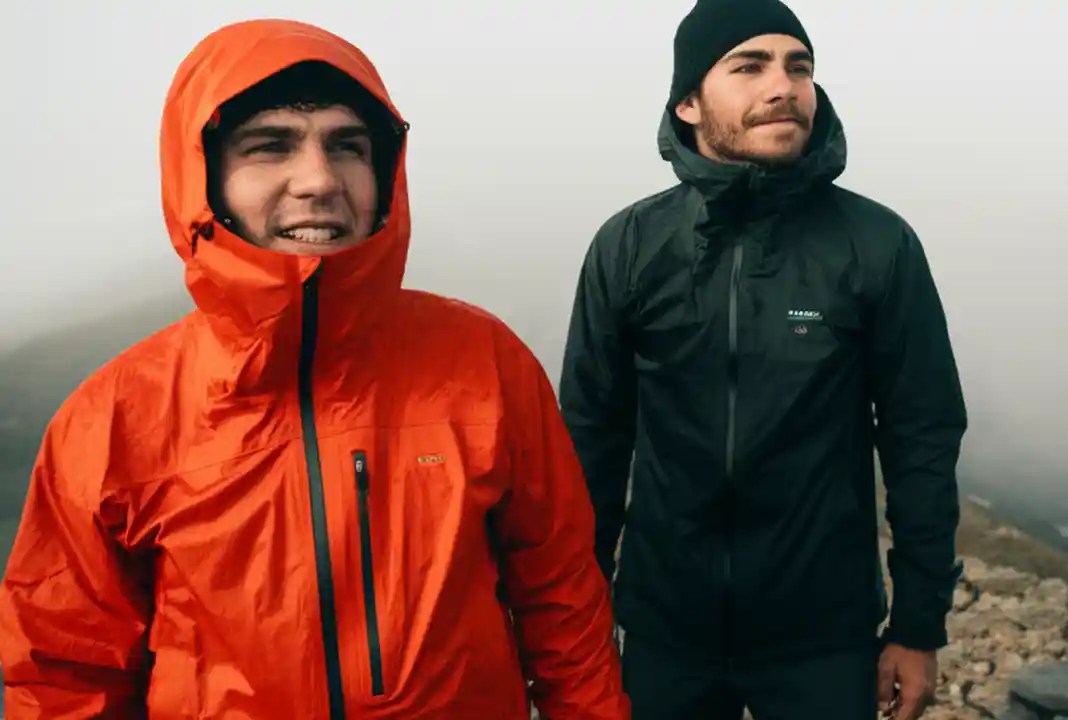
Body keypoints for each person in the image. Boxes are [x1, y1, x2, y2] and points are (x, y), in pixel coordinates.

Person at [0, 19, 630, 720]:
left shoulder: (485, 361)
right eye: (271, 146)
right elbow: (65, 676)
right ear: (201, 174)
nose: (319, 180)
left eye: (347, 146)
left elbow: (563, 604)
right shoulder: (112, 416)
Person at [558, 0, 968, 718]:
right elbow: (590, 439)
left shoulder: (876, 245)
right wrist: (577, 618)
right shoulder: (628, 247)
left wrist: (917, 626)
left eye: (798, 66)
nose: (784, 86)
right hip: (663, 632)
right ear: (689, 102)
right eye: (749, 66)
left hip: (823, 640)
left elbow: (922, 437)